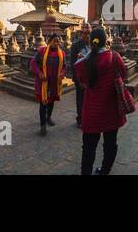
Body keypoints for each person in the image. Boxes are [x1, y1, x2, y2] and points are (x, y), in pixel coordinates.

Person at [74, 27, 128, 175]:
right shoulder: (115, 56)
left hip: (92, 112)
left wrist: (82, 58)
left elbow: (82, 82)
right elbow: (123, 75)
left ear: (91, 42)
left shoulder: (84, 62)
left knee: (88, 149)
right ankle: (104, 171)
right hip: (112, 110)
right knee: (110, 144)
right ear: (107, 41)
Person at [32, 34, 67, 135]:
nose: (57, 43)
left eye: (58, 41)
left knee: (51, 102)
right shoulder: (42, 51)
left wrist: (62, 73)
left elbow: (64, 66)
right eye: (55, 41)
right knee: (43, 103)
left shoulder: (62, 53)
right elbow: (33, 63)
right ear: (49, 41)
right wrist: (39, 73)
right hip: (43, 81)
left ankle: (48, 117)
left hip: (54, 83)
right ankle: (43, 126)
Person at [67, 33, 89, 129]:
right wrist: (78, 80)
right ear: (82, 34)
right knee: (80, 99)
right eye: (85, 33)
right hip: (79, 78)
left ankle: (87, 118)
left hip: (89, 78)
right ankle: (80, 118)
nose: (87, 36)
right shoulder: (76, 45)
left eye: (89, 34)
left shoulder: (93, 46)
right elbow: (73, 64)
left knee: (88, 99)